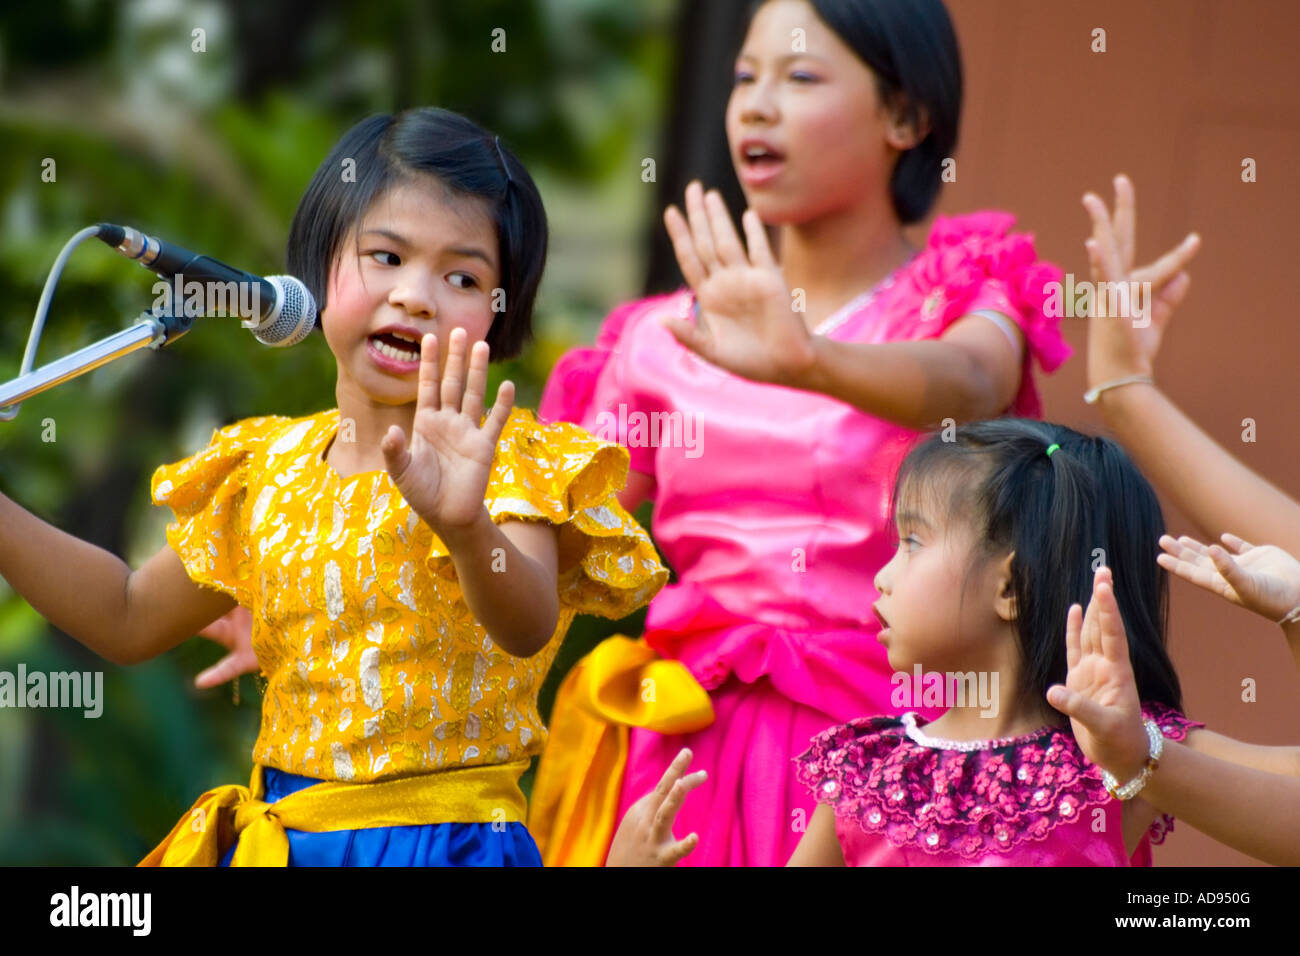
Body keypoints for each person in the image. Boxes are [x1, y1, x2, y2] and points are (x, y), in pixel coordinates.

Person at [0, 107, 667, 866]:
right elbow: (125, 614)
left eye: (462, 276)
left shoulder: (508, 461)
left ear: (497, 314)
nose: (416, 295)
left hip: (444, 849)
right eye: (386, 256)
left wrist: (465, 526)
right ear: (318, 267)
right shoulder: (267, 468)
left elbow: (527, 623)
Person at [529, 0, 1070, 866]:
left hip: (895, 758)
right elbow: (549, 542)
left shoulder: (962, 298)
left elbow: (971, 384)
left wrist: (808, 361)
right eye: (745, 77)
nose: (756, 103)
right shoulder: (659, 336)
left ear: (906, 116)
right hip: (681, 757)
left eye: (800, 76)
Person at [610, 419, 1203, 866]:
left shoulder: (1126, 757)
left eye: (913, 542)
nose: (882, 575)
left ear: (1010, 586)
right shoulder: (868, 773)